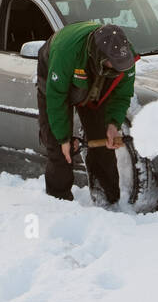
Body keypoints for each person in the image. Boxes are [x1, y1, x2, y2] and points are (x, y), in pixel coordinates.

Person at [36, 20, 137, 203]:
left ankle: (108, 200)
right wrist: (63, 139)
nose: (118, 67)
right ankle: (59, 201)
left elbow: (122, 95)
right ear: (100, 57)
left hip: (94, 76)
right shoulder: (65, 53)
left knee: (104, 140)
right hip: (57, 73)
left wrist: (113, 123)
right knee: (60, 149)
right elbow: (56, 98)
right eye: (113, 64)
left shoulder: (123, 57)